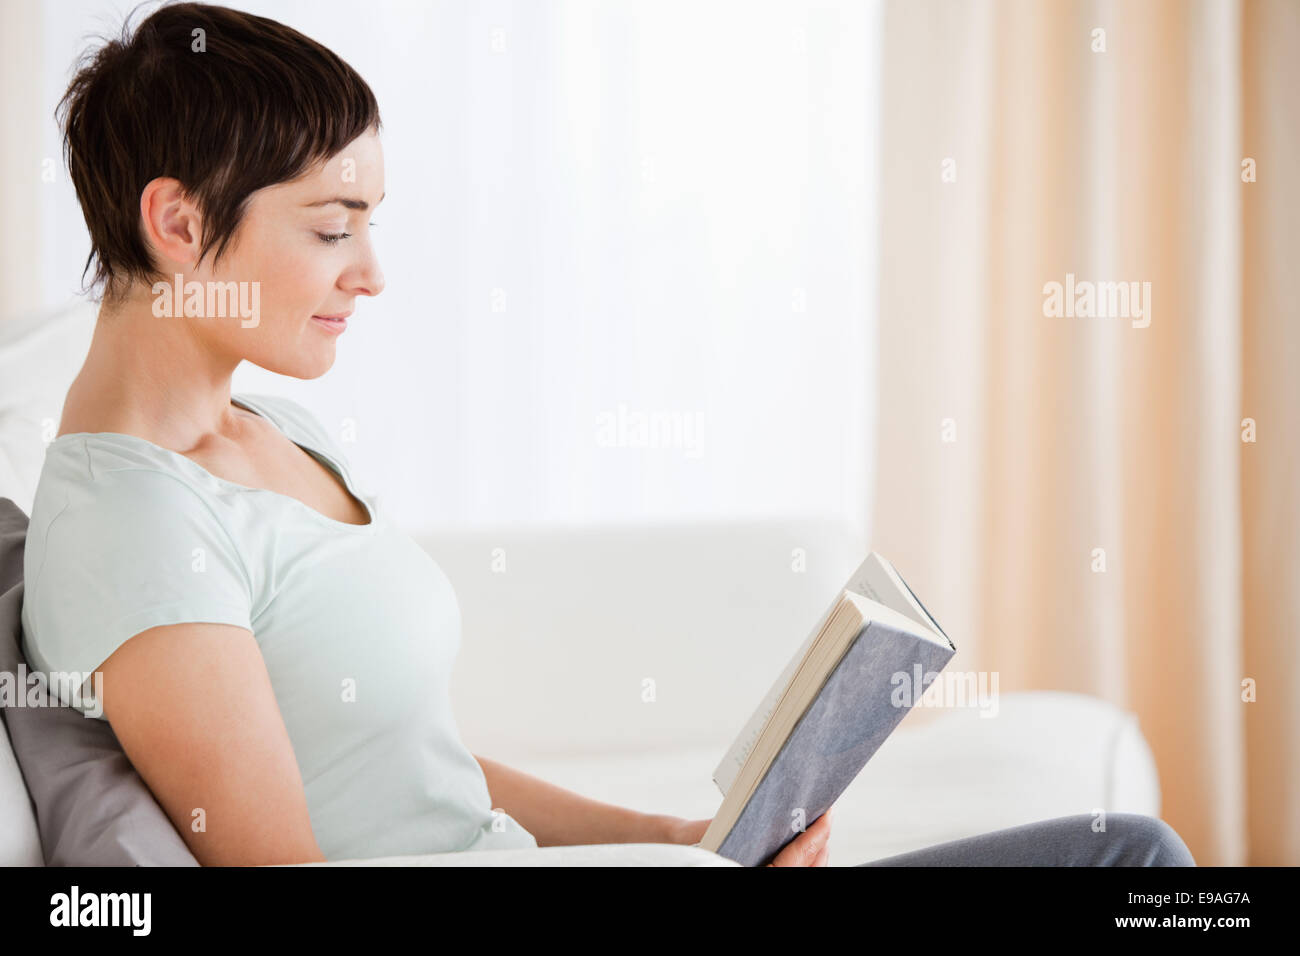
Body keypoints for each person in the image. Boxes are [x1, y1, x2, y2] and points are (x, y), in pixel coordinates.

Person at [21, 1, 1194, 869]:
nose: (372, 273)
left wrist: (682, 837)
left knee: (1135, 859)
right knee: (1132, 867)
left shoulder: (274, 426)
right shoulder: (135, 526)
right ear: (177, 221)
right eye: (333, 228)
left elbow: (413, 770)